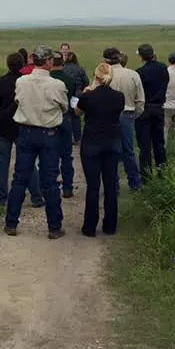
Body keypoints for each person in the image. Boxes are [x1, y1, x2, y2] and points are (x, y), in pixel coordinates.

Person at [4, 45, 69, 239]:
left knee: (19, 178)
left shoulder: (22, 81)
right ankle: (54, 227)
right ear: (48, 61)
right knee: (49, 181)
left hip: (25, 132)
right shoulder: (56, 85)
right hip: (48, 134)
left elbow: (18, 101)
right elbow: (64, 107)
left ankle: (11, 223)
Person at [74, 63, 125, 237]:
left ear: (95, 76)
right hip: (112, 142)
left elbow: (77, 112)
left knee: (93, 186)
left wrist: (87, 92)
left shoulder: (88, 96)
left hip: (91, 143)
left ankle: (89, 227)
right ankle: (110, 226)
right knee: (110, 185)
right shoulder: (119, 97)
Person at [0, 52, 42, 207]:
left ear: (7, 64)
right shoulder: (27, 83)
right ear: (23, 64)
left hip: (3, 126)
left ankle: (2, 197)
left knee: (2, 162)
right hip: (23, 126)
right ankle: (36, 197)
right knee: (27, 162)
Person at [104, 47, 144, 191]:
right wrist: (134, 114)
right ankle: (134, 183)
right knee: (129, 150)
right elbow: (140, 100)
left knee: (110, 150)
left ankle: (113, 185)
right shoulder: (133, 74)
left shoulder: (103, 75)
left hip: (108, 116)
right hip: (128, 114)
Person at [134, 43, 170, 177]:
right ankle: (163, 172)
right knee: (159, 142)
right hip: (159, 108)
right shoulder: (163, 68)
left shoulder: (140, 72)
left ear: (142, 57)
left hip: (144, 108)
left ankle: (146, 176)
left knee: (144, 145)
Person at [49, 52, 76, 198]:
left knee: (49, 154)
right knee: (66, 155)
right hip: (65, 118)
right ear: (62, 64)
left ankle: (49, 185)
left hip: (49, 119)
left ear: (51, 63)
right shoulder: (69, 80)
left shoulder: (47, 79)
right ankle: (68, 187)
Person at [62, 52, 89, 144]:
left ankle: (67, 137)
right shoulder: (80, 69)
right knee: (76, 117)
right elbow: (86, 81)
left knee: (66, 115)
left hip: (66, 94)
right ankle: (77, 138)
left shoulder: (63, 69)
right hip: (77, 95)